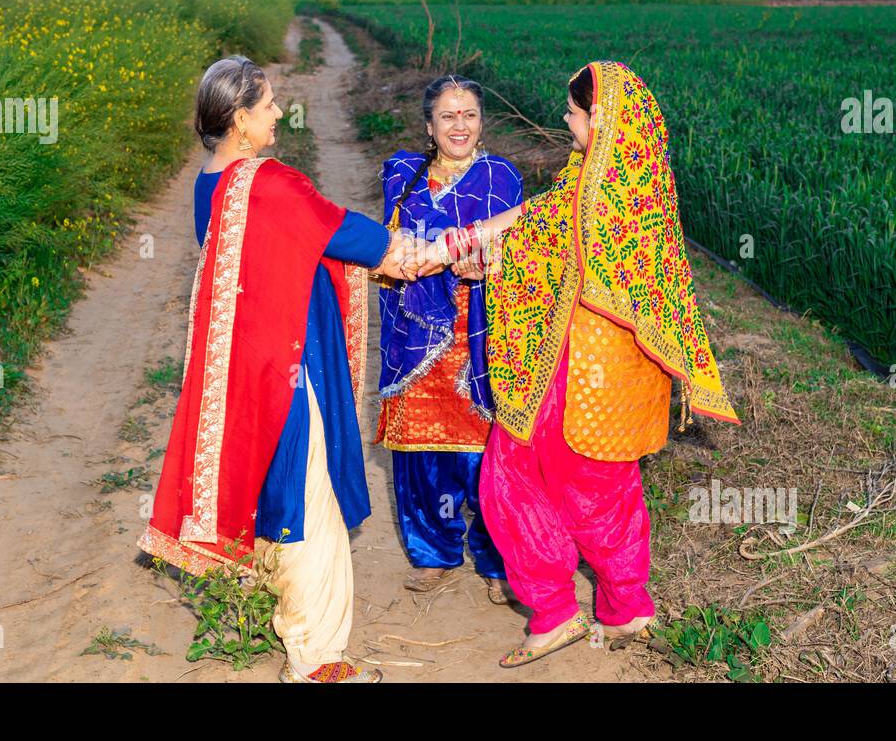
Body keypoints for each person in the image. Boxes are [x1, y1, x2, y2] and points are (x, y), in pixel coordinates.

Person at [416, 60, 741, 667]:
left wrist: (463, 254)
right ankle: (625, 606)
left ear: (603, 118)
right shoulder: (626, 180)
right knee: (604, 486)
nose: (566, 120)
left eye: (574, 111)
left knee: (515, 478)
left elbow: (537, 238)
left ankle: (556, 611)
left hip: (575, 368)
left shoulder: (600, 196)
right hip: (607, 372)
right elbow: (531, 228)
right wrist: (462, 249)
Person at [139, 56, 412, 684]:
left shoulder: (210, 180)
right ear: (239, 119)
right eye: (269, 105)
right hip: (287, 365)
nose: (280, 113)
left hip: (246, 365)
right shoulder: (265, 182)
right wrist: (421, 251)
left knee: (278, 486)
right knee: (306, 499)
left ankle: (293, 628)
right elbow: (341, 231)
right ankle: (316, 661)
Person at [375, 75, 523, 603]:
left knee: (485, 452)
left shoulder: (501, 178)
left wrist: (488, 263)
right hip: (415, 334)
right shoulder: (403, 174)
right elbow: (389, 244)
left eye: (469, 115)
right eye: (448, 116)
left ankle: (494, 557)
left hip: (478, 331)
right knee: (420, 447)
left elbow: (522, 253)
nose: (460, 126)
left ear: (481, 122)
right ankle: (433, 552)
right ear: (429, 126)